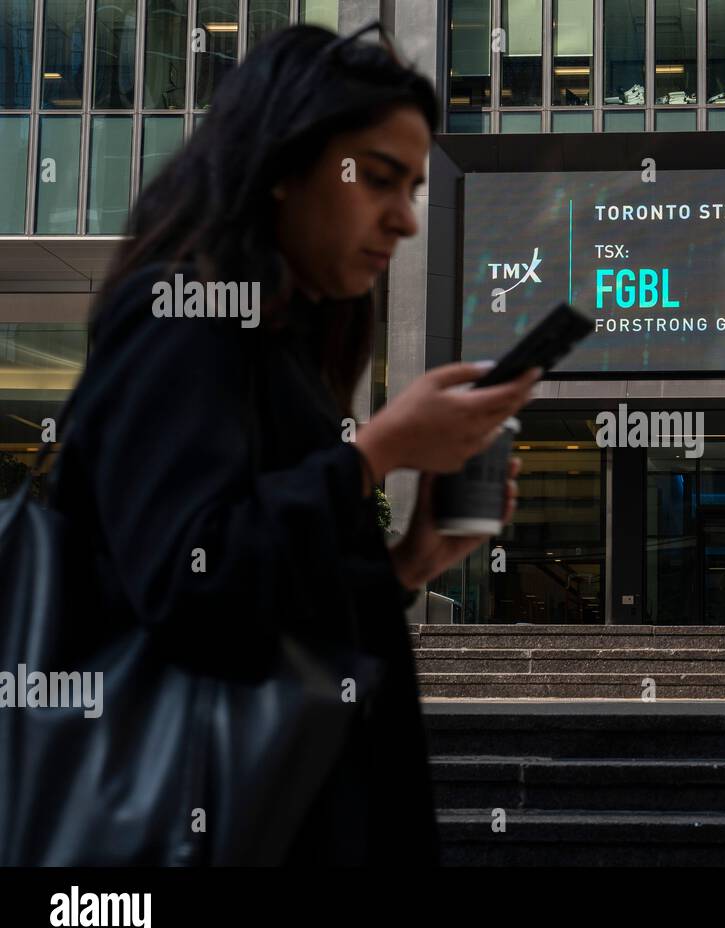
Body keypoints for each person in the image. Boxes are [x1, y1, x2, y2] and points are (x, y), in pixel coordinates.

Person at [47, 22, 539, 864]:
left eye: (414, 187)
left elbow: (262, 607)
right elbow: (190, 584)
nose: (407, 221)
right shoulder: (182, 317)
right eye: (379, 179)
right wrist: (374, 452)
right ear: (283, 167)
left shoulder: (273, 344)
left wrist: (408, 564)